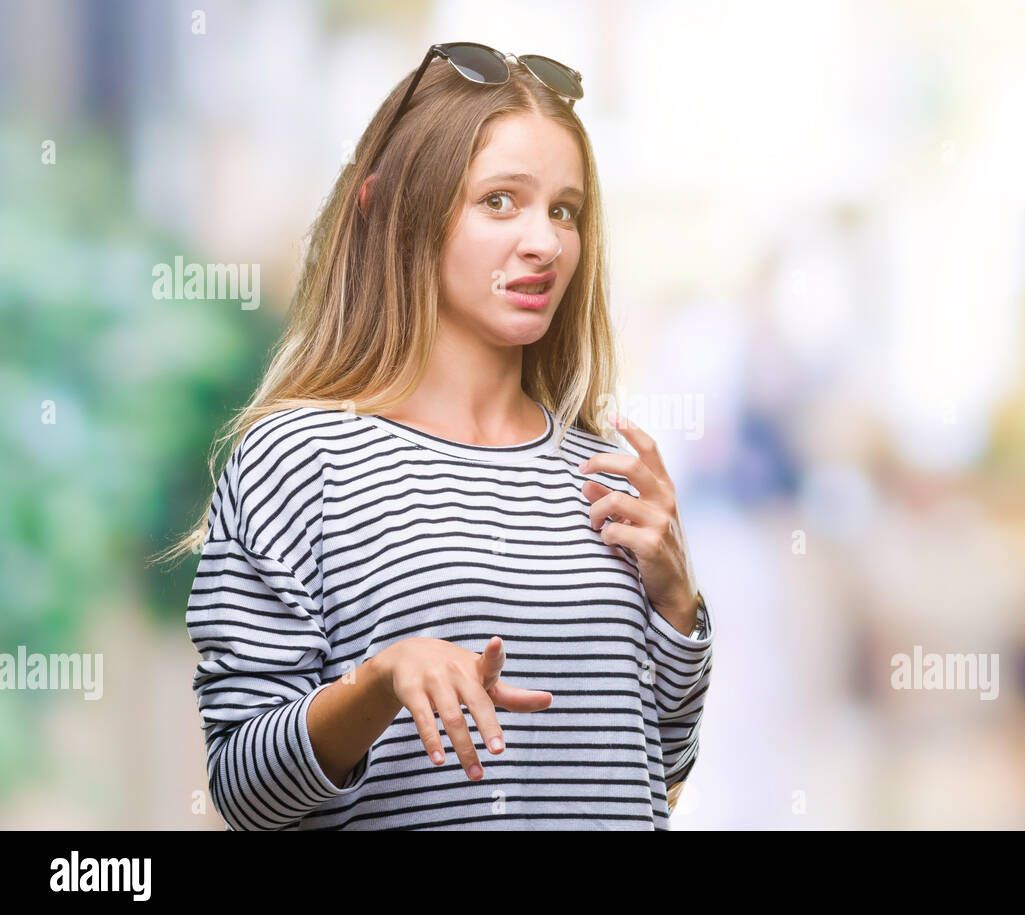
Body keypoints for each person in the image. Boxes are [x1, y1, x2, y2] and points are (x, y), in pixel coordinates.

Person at [152, 43, 713, 830]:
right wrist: (379, 682)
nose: (545, 242)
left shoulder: (608, 477)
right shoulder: (298, 460)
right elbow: (245, 793)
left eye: (564, 210)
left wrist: (680, 608)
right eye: (499, 201)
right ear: (390, 206)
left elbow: (661, 769)